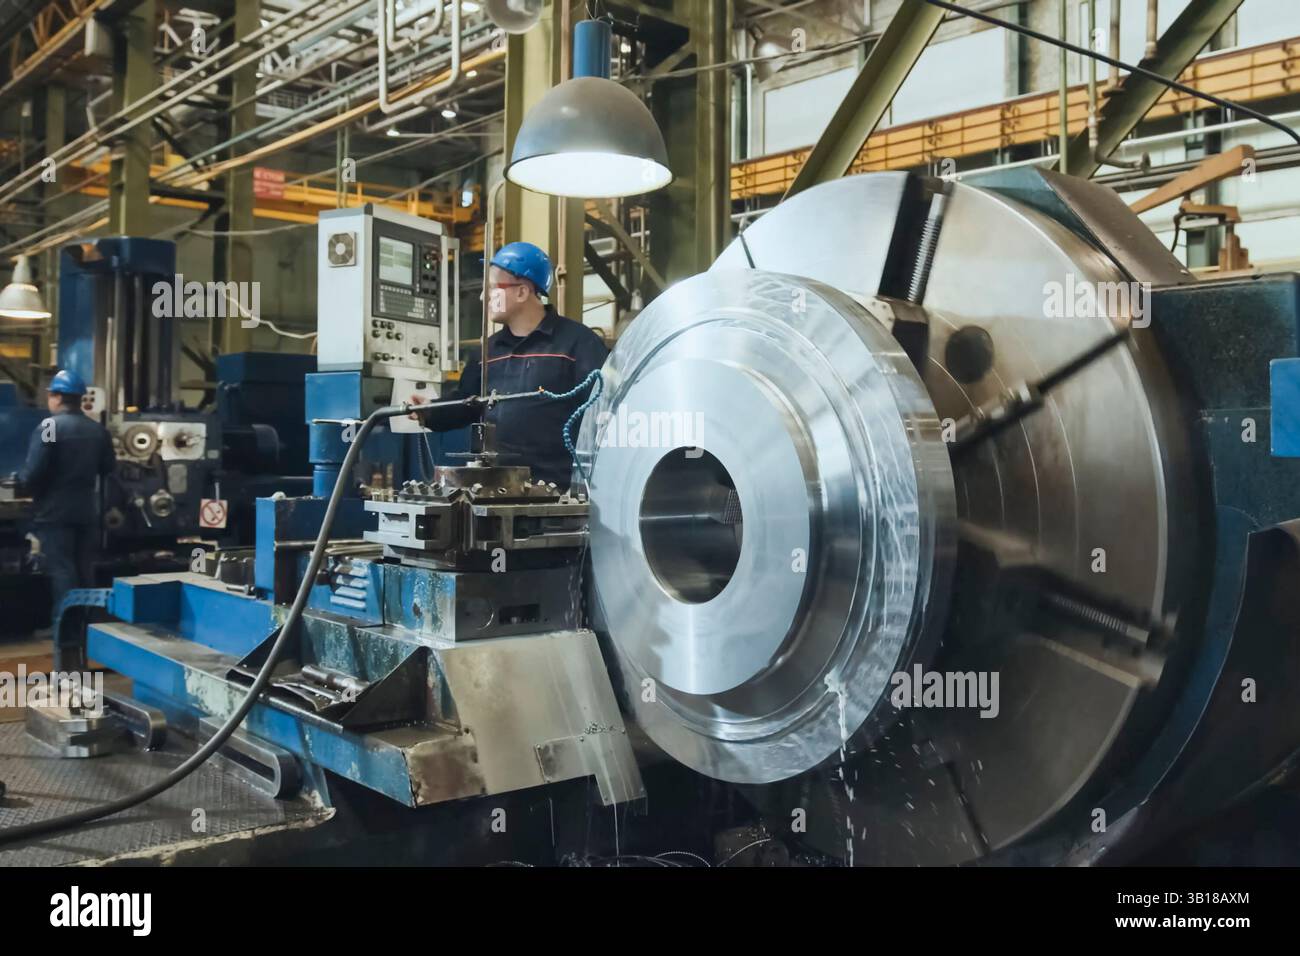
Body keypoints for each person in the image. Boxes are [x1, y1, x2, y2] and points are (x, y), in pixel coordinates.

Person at [416, 241, 608, 487]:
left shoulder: (577, 345)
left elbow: (602, 412)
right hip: (495, 489)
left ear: (522, 291)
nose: (483, 296)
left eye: (493, 287)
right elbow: (467, 402)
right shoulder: (488, 350)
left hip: (557, 491)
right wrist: (429, 411)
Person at [17, 369, 116, 621]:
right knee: (85, 569)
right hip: (86, 511)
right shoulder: (97, 430)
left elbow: (35, 471)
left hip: (54, 512)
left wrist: (20, 482)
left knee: (61, 570)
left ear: (57, 397)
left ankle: (66, 627)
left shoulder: (50, 426)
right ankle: (88, 625)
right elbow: (108, 468)